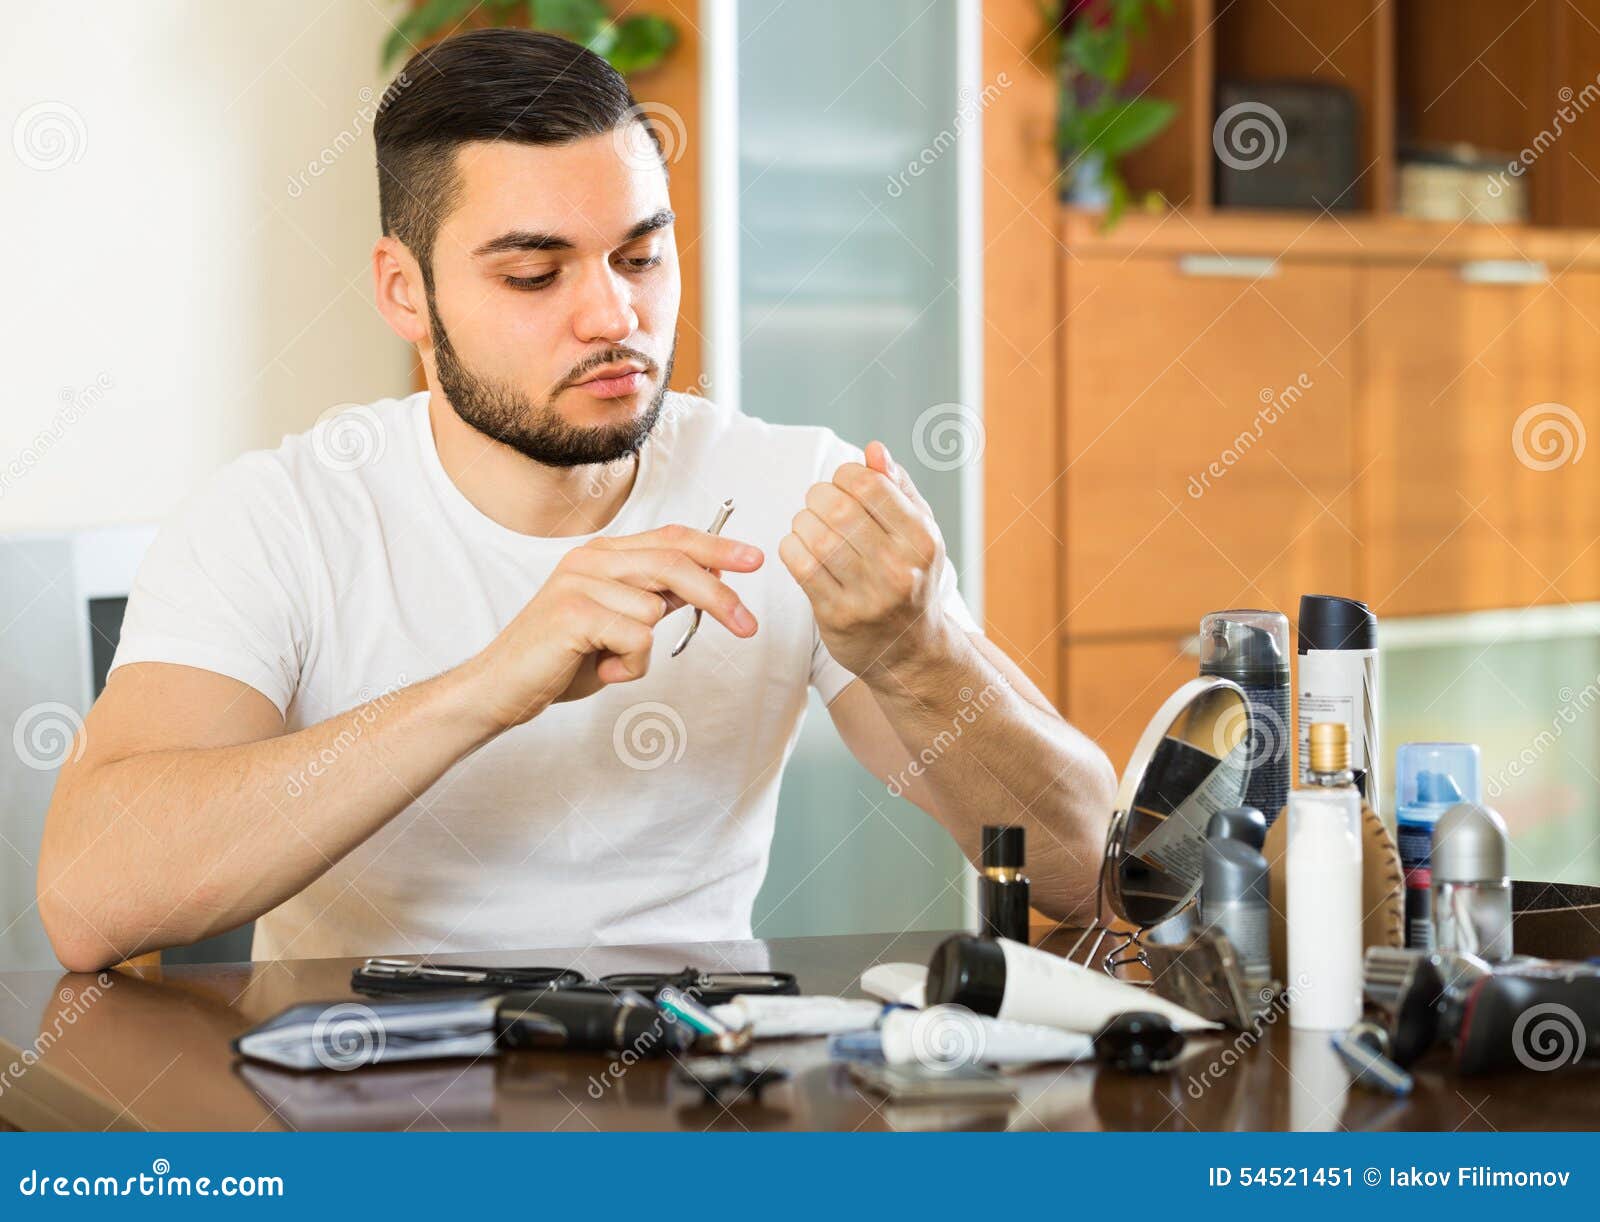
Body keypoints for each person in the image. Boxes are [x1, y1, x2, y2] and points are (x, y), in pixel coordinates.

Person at [37, 29, 1115, 972]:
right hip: (369, 1103)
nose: (612, 315)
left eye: (641, 255)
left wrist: (921, 651)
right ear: (403, 290)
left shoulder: (787, 490)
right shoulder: (279, 517)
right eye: (533, 274)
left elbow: (1092, 873)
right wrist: (490, 685)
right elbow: (89, 903)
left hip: (692, 1094)